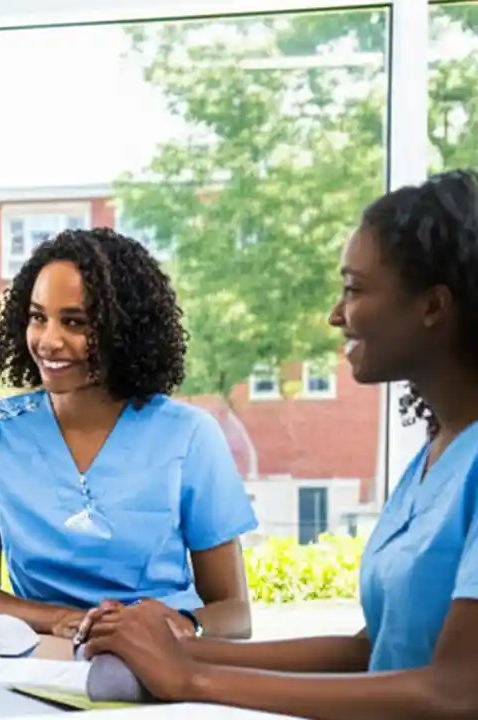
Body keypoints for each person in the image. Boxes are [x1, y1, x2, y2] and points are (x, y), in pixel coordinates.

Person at [75, 171, 478, 719]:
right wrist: (182, 648)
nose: (337, 314)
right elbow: (371, 651)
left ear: (433, 306)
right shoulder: (438, 454)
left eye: (354, 290)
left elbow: (456, 691)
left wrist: (191, 678)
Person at [0, 227, 258, 640]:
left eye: (75, 322)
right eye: (38, 318)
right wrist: (57, 619)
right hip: (44, 658)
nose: (49, 341)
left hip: (161, 657)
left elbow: (234, 614)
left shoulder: (190, 436)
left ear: (123, 331)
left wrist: (180, 625)